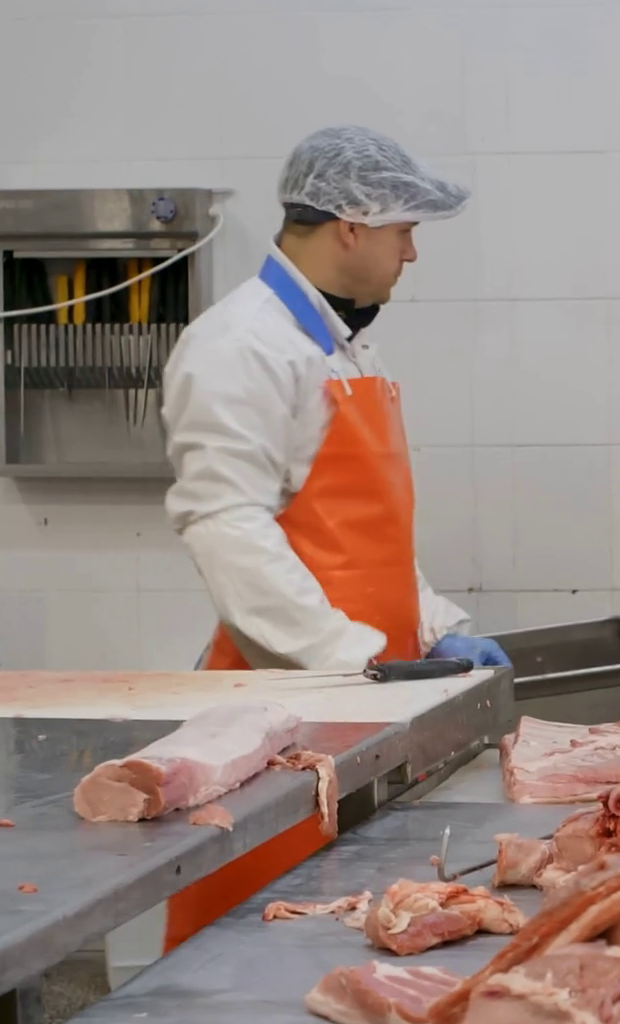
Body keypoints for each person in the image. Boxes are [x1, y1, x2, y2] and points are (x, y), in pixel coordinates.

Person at [163, 125, 510, 675]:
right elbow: (226, 525)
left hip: (367, 687)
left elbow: (368, 537)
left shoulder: (347, 349)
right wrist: (346, 658)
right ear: (352, 226)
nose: (412, 253)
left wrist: (431, 628)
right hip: (291, 697)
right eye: (404, 231)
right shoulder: (241, 344)